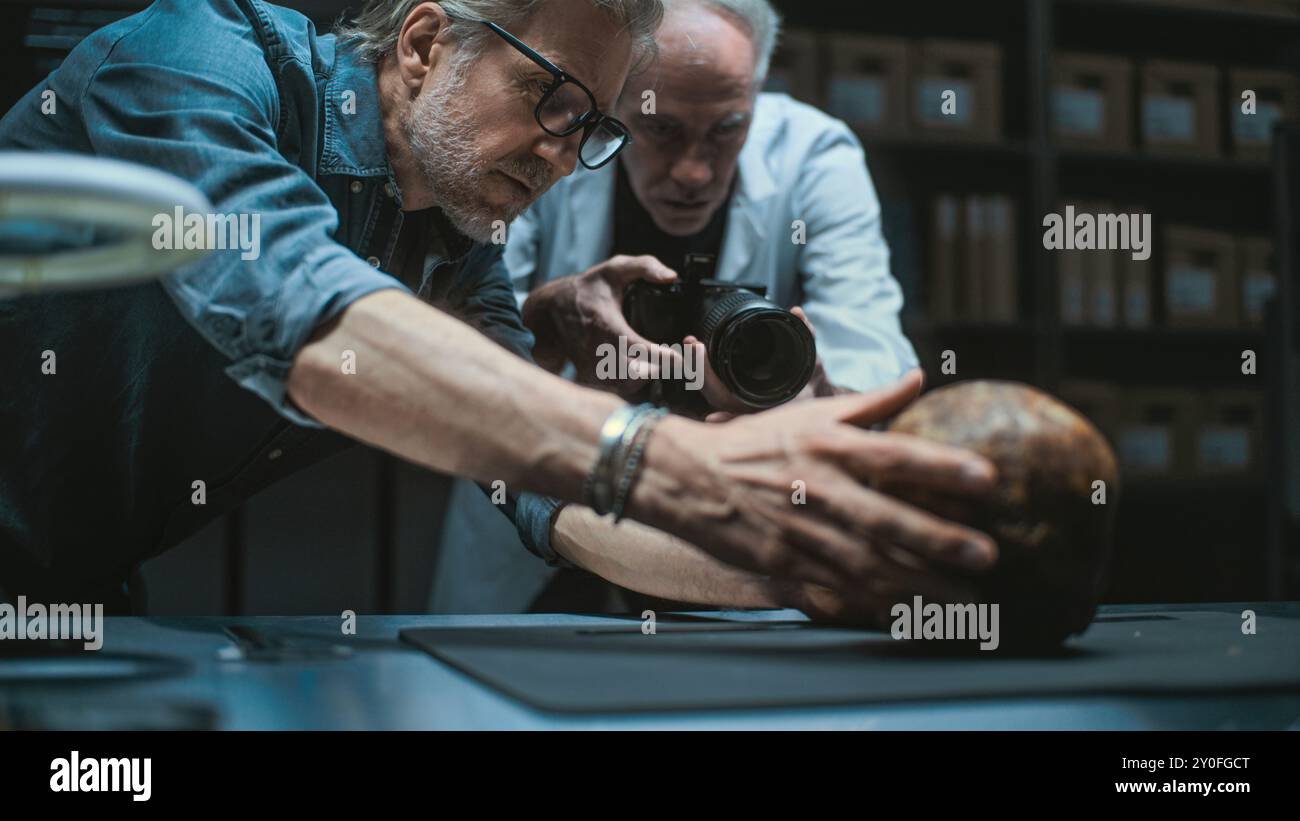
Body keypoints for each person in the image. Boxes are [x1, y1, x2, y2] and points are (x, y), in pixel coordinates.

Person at [0, 0, 998, 619]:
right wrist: (671, 457)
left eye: (592, 129)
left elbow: (545, 492)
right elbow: (292, 300)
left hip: (71, 593)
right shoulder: (193, 60)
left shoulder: (462, 256)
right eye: (549, 100)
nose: (564, 156)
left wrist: (805, 567)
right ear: (427, 41)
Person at [433, 0, 920, 613]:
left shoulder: (815, 153)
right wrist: (556, 320)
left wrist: (811, 395)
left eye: (726, 130)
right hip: (550, 489)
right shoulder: (552, 140)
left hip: (738, 515)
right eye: (660, 129)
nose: (693, 172)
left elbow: (869, 338)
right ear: (610, 96)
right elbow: (472, 320)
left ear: (757, 92)